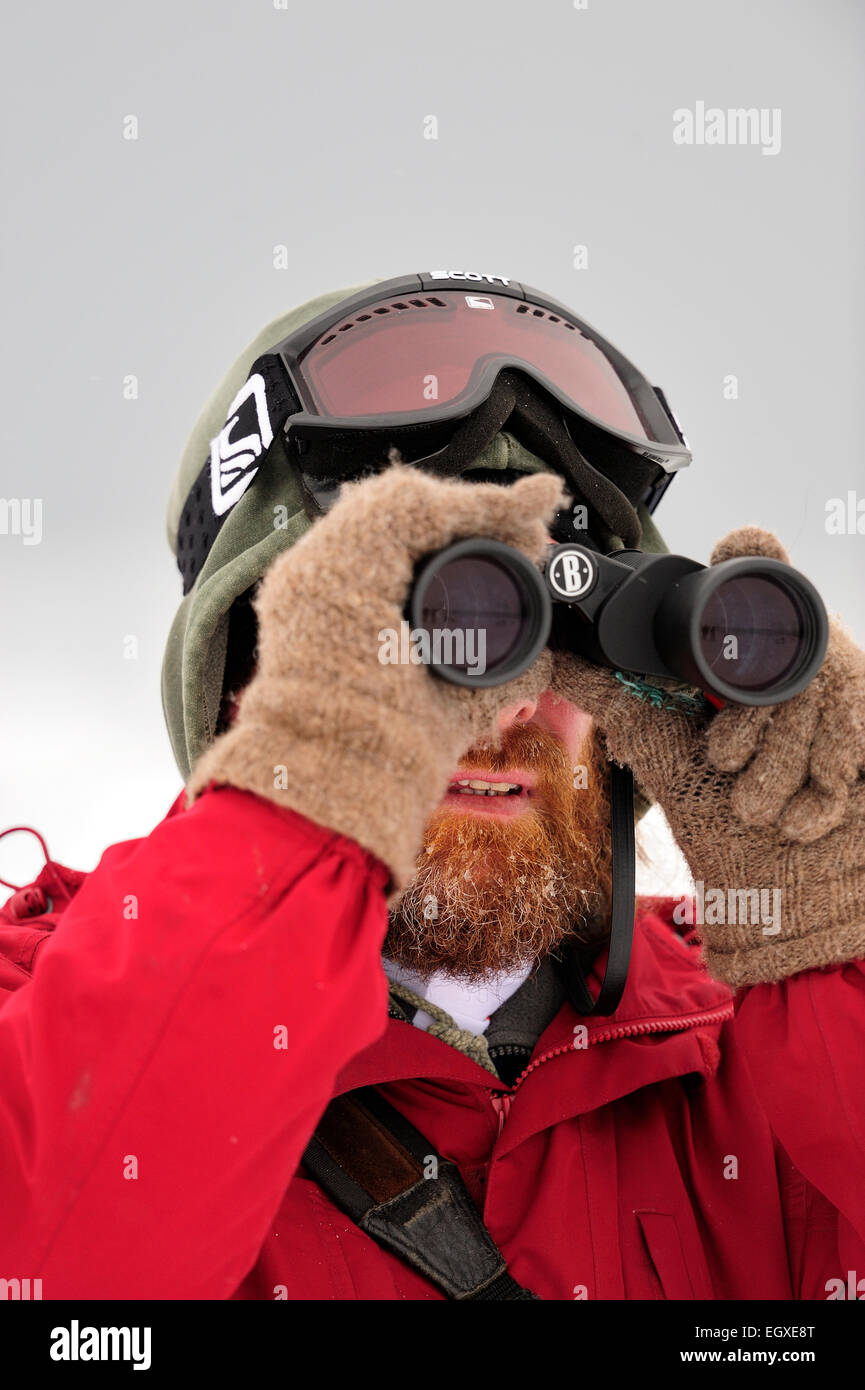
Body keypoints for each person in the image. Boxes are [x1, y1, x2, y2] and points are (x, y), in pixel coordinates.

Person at [1, 272, 863, 1301]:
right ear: (242, 682)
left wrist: (832, 952)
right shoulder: (37, 1011)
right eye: (447, 639)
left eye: (549, 646)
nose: (502, 711)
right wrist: (297, 822)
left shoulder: (741, 1055)